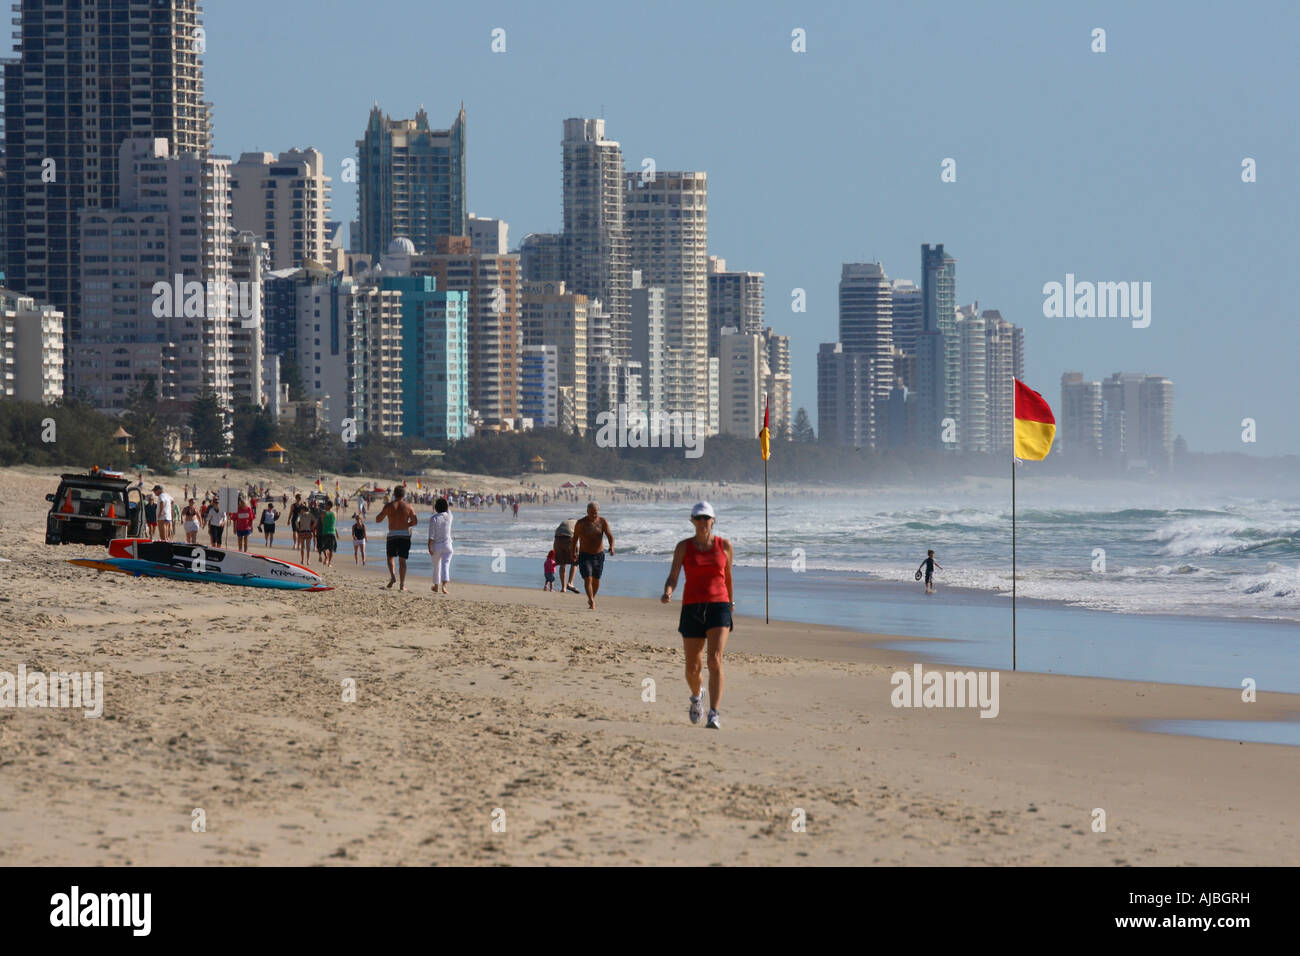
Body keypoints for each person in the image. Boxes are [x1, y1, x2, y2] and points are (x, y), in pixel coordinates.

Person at [661, 502, 734, 730]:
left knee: (715, 660)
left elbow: (728, 577)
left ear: (713, 520)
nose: (702, 522)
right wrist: (668, 591)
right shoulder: (683, 547)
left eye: (706, 518)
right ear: (692, 521)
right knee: (693, 667)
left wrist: (730, 602)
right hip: (692, 606)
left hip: (719, 605)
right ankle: (696, 696)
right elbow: (673, 576)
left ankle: (714, 713)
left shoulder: (725, 546)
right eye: (698, 518)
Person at [572, 502, 615, 610]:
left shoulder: (602, 521)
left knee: (596, 579)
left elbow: (610, 536)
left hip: (598, 555)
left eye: (595, 512)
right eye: (591, 512)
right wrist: (573, 552)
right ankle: (591, 601)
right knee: (588, 578)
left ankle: (592, 597)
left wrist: (612, 546)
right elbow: (574, 539)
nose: (594, 515)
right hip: (584, 555)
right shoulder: (580, 523)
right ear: (587, 511)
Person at [375, 485, 418, 591]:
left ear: (394, 494)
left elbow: (378, 519)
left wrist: (387, 515)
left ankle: (393, 576)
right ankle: (402, 585)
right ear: (404, 495)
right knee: (402, 561)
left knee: (390, 557)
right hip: (404, 535)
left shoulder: (389, 506)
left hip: (392, 535)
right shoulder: (408, 506)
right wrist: (407, 525)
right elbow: (415, 521)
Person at [426, 497, 453, 594]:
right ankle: (444, 586)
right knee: (446, 565)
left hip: (436, 546)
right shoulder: (449, 516)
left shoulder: (433, 518)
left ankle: (436, 586)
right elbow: (448, 509)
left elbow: (431, 535)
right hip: (447, 545)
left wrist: (429, 546)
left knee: (436, 566)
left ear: (436, 507)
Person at [553, 518, 579, 594]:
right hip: (568, 538)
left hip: (557, 540)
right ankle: (570, 583)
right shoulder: (578, 523)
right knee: (575, 562)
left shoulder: (564, 522)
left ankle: (563, 588)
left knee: (562, 564)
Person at [293, 499, 316, 564]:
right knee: (308, 547)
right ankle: (308, 561)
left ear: (303, 509)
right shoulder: (310, 514)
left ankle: (302, 560)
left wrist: (298, 528)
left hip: (302, 531)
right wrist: (312, 527)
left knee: (302, 547)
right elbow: (315, 521)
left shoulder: (300, 515)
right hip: (308, 531)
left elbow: (296, 522)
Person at [318, 499, 337, 568]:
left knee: (324, 547)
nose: (325, 506)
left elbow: (322, 522)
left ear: (328, 505)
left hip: (325, 532)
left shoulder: (323, 512)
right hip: (332, 532)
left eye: (326, 505)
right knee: (331, 548)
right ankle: (329, 563)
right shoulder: (334, 513)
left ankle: (326, 557)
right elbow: (334, 522)